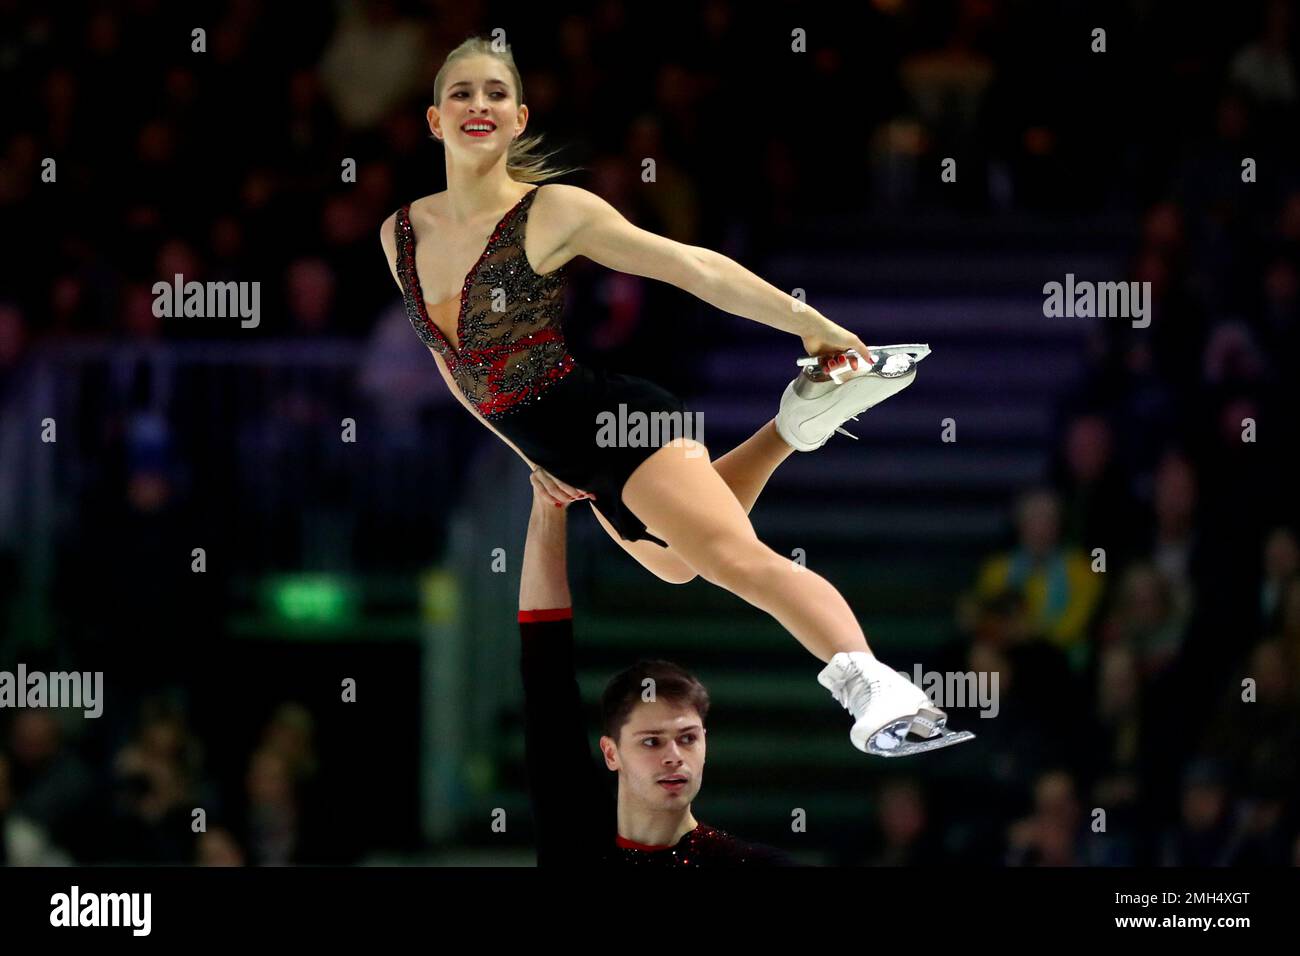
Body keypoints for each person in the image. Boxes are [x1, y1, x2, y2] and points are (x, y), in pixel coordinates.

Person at [378, 35, 971, 756]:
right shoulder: (400, 233)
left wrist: (810, 323)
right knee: (674, 561)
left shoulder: (554, 211)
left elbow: (693, 268)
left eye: (495, 93)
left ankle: (874, 685)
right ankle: (796, 422)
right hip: (569, 455)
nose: (479, 105)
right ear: (435, 119)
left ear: (520, 117)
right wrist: (529, 458)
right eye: (461, 93)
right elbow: (453, 365)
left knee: (731, 558)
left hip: (614, 427)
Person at [518, 474, 797, 865]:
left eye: (687, 739)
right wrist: (548, 506)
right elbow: (545, 671)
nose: (674, 757)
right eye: (651, 741)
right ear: (611, 753)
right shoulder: (573, 835)